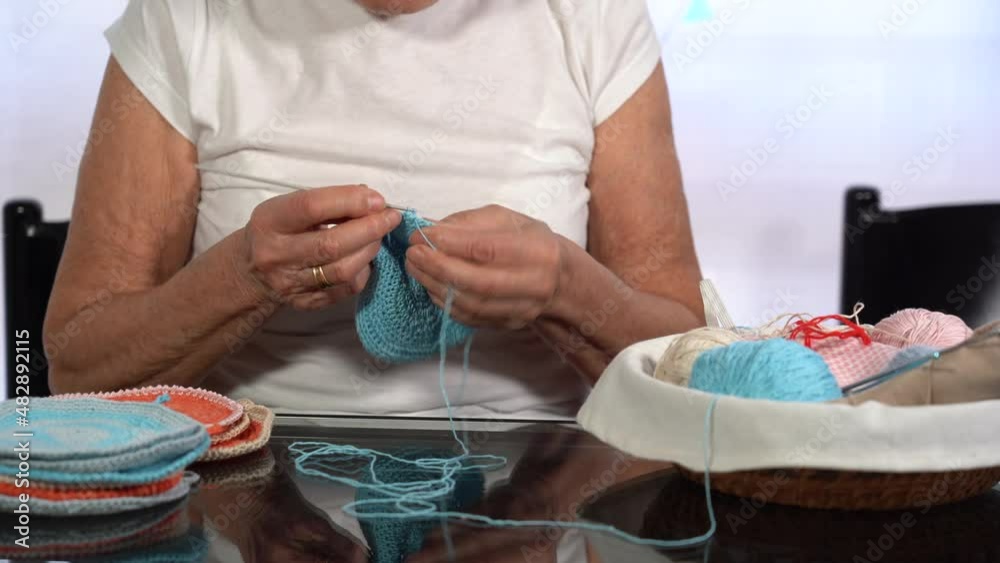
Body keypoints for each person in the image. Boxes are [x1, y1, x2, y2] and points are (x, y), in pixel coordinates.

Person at [45, 0, 703, 418]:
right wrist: (241, 278)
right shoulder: (185, 15)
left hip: (545, 492)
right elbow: (77, 369)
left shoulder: (595, 16)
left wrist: (567, 292)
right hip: (243, 491)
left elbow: (690, 362)